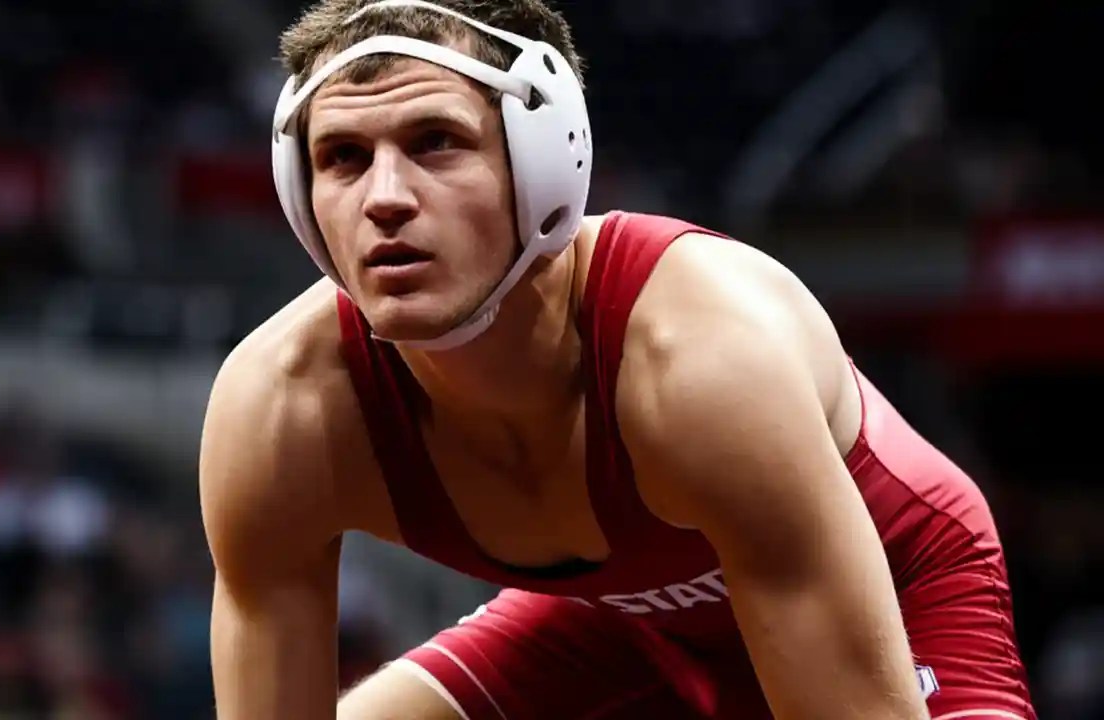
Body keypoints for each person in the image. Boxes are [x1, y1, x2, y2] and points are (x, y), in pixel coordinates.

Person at [198, 0, 1037, 718]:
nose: (384, 198)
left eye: (436, 143)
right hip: (616, 619)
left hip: (898, 594)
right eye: (342, 157)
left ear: (545, 163)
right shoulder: (283, 409)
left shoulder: (698, 357)